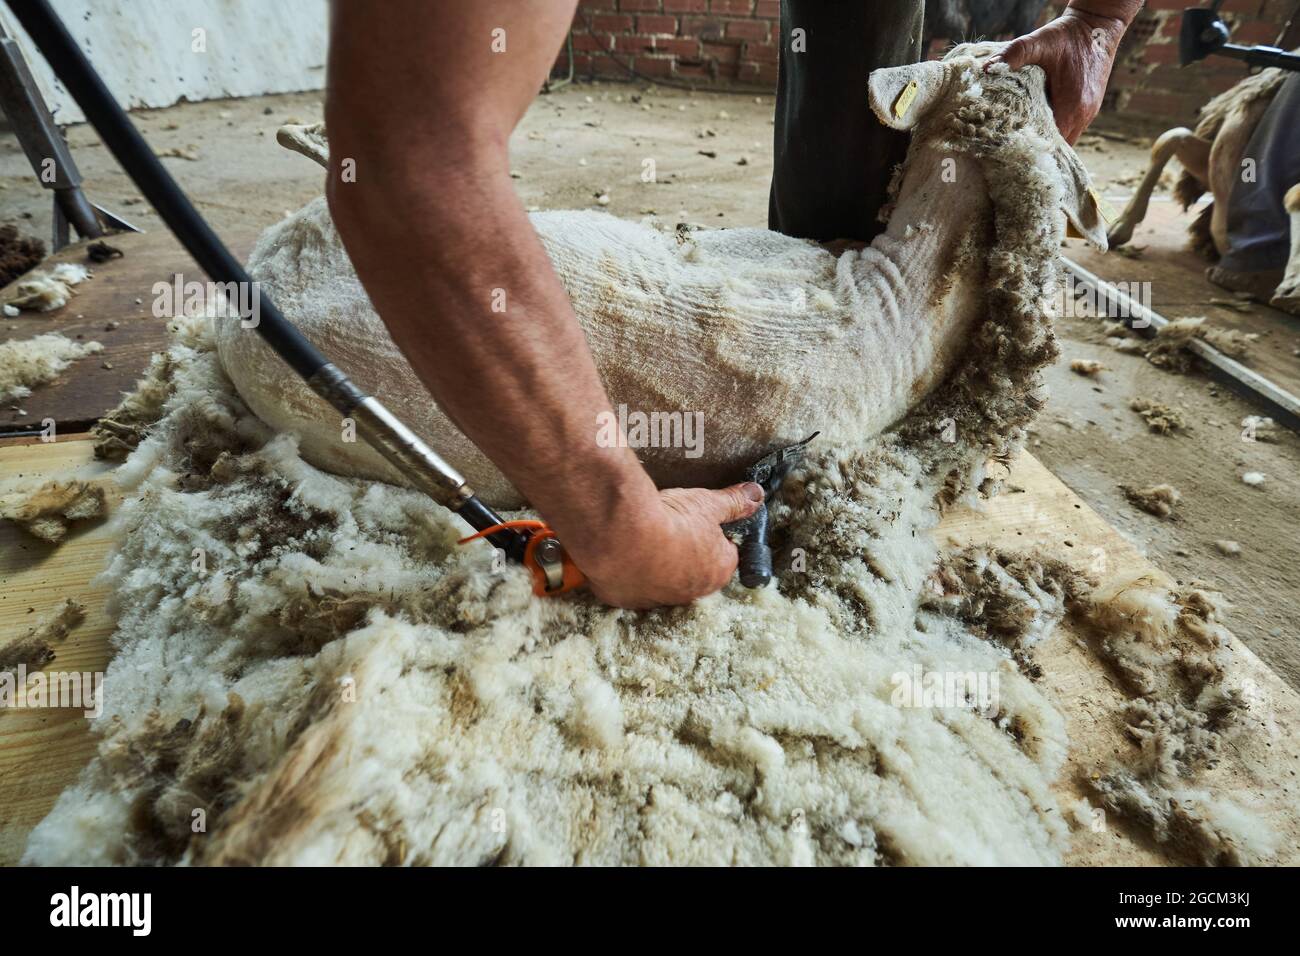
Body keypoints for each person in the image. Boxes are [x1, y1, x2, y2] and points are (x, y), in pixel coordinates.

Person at [325, 0, 1142, 609]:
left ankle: (827, 250)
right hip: (348, 300)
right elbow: (414, 164)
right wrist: (619, 525)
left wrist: (1098, 19)